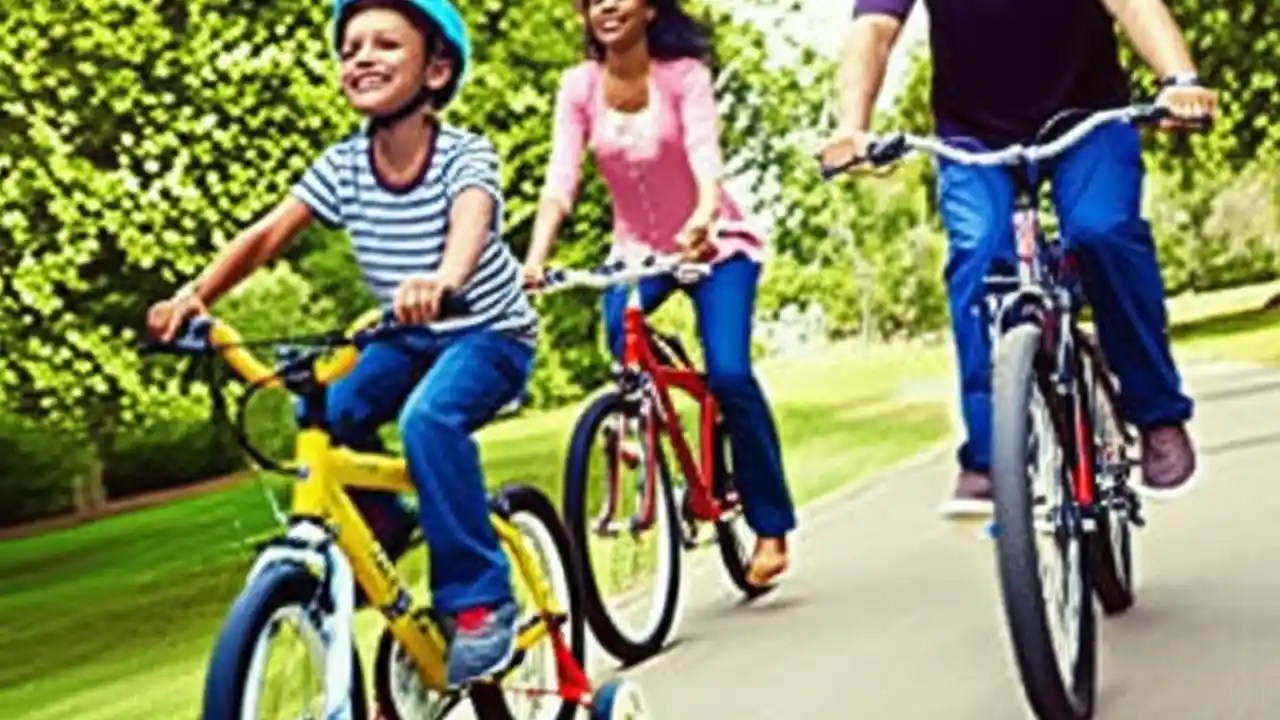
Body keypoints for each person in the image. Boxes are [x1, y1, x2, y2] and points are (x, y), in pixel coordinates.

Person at [145, 0, 539, 686]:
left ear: (436, 69)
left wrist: (444, 279)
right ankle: (384, 523)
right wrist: (194, 297)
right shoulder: (344, 166)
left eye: (385, 44)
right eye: (350, 47)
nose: (361, 57)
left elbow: (471, 224)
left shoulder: (464, 155)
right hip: (407, 336)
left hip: (487, 333)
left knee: (429, 421)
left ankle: (480, 602)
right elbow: (266, 236)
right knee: (327, 408)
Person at [820, 0, 1219, 518]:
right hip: (973, 138)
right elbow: (873, 29)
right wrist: (851, 126)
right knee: (980, 255)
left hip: (1088, 122)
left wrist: (1179, 79)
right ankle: (991, 458)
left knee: (1102, 232)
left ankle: (1157, 414)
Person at [522, 0, 797, 587]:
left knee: (729, 375)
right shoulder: (579, 87)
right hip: (637, 251)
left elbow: (705, 157)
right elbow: (560, 179)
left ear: (649, 8)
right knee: (619, 335)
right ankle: (638, 423)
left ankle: (770, 526)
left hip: (714, 245)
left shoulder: (684, 77)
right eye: (592, 0)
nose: (606, 6)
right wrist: (536, 258)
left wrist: (703, 216)